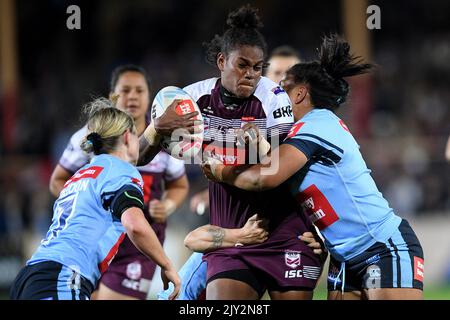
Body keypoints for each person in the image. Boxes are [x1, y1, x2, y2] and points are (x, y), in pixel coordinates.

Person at [204, 34, 424, 300]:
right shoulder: (297, 132)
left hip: (380, 244)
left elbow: (265, 179)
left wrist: (219, 171)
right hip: (343, 257)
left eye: (281, 88)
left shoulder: (318, 123)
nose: (272, 94)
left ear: (299, 94)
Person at [143, 5, 323, 300]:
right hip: (231, 237)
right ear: (222, 60)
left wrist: (320, 228)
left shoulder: (272, 98)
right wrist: (156, 128)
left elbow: (278, 172)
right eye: (242, 65)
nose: (251, 74)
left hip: (285, 233)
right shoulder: (191, 100)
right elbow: (139, 158)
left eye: (257, 67)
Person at [10, 99, 181, 300]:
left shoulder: (81, 174)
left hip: (32, 275)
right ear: (127, 137)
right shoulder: (121, 169)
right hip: (64, 276)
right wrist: (167, 265)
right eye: (136, 134)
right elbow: (134, 224)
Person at [49, 65, 189, 300]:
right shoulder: (91, 135)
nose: (132, 96)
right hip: (96, 240)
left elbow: (179, 185)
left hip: (138, 245)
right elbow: (58, 180)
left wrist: (167, 206)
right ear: (112, 96)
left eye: (139, 90)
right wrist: (86, 205)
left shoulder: (167, 138)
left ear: (149, 96)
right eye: (125, 90)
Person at [189, 45, 301, 216]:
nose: (283, 81)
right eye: (278, 73)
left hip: (287, 216)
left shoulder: (307, 125)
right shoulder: (249, 109)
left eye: (291, 75)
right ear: (266, 76)